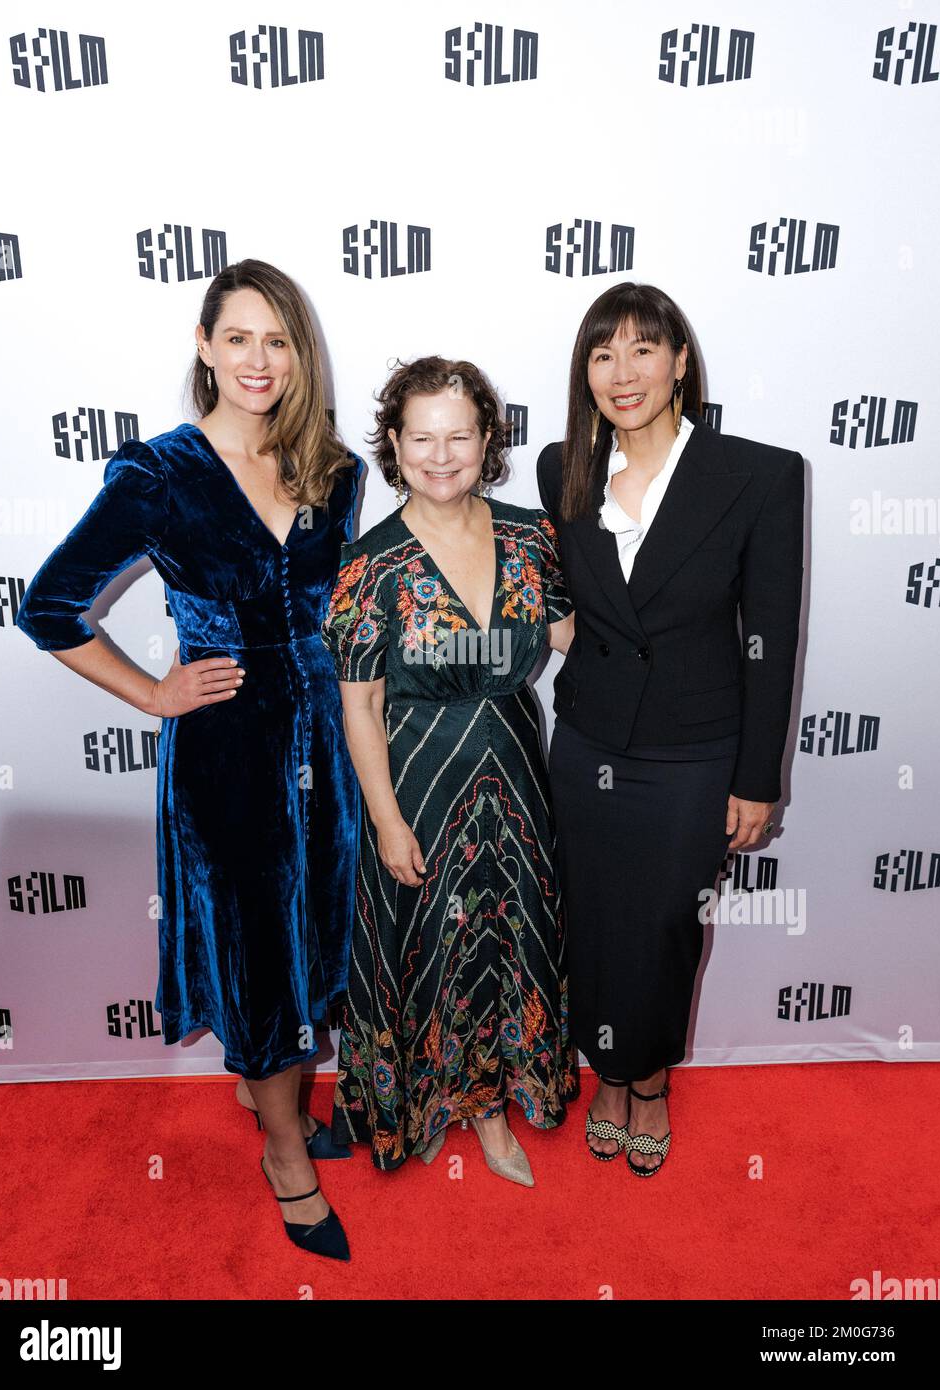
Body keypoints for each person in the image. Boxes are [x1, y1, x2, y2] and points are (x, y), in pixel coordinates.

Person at [16, 259, 361, 1258]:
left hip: (323, 750)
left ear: (300, 355)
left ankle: (283, 1101)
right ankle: (285, 1148)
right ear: (205, 346)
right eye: (239, 337)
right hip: (225, 754)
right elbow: (50, 606)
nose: (259, 359)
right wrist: (156, 691)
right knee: (256, 952)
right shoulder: (159, 476)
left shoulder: (333, 472)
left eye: (279, 340)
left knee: (313, 934)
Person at [537, 282, 804, 1176]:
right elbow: (566, 600)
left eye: (643, 349)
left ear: (680, 361)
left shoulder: (758, 475)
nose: (623, 372)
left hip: (693, 753)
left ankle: (644, 1081)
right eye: (602, 354)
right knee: (590, 917)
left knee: (661, 928)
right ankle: (604, 1071)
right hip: (584, 744)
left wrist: (756, 778)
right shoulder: (558, 468)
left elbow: (769, 643)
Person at [320, 356, 579, 1182]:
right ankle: (426, 1105)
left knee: (509, 941)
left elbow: (582, 639)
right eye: (421, 437)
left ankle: (495, 1111)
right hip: (417, 780)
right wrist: (387, 820)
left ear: (486, 441)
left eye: (458, 435)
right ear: (392, 444)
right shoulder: (369, 565)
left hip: (515, 771)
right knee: (427, 947)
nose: (440, 455)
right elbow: (358, 707)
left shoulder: (532, 535)